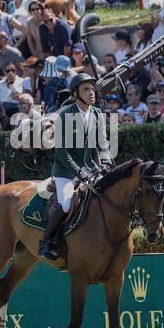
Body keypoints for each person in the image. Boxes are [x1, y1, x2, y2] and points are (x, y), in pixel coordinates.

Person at [39, 71, 114, 260]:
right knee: (65, 204)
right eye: (86, 89)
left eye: (92, 89)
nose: (92, 93)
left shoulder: (96, 114)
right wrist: (78, 171)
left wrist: (105, 162)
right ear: (75, 94)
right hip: (66, 170)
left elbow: (103, 143)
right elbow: (61, 151)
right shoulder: (65, 115)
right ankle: (47, 242)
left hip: (91, 168)